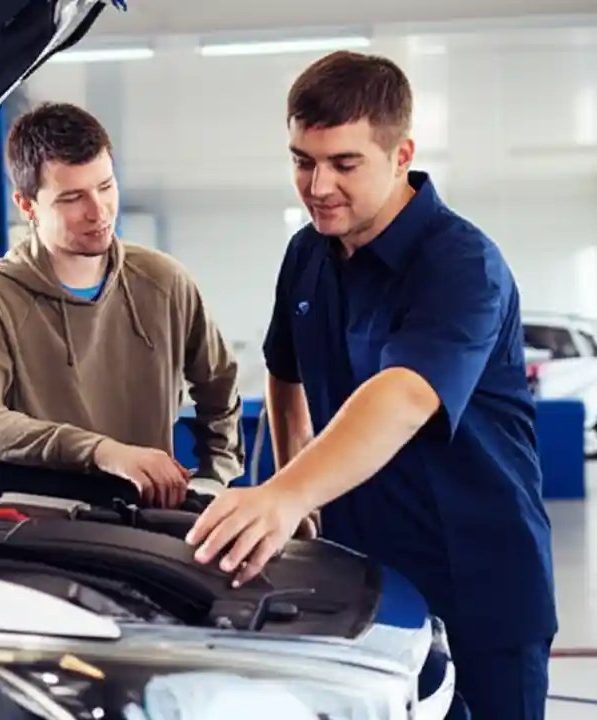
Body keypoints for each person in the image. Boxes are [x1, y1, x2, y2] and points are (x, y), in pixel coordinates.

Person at [183, 51, 558, 718]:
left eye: (343, 163)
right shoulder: (305, 255)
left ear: (400, 152)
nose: (317, 185)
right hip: (362, 579)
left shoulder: (463, 264)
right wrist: (295, 485)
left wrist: (280, 493)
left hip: (480, 584)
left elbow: (404, 394)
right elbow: (284, 369)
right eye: (303, 160)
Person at [0, 101, 243, 508]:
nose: (98, 211)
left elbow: (219, 388)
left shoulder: (165, 283)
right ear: (27, 205)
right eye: (72, 198)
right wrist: (102, 451)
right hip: (45, 533)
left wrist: (214, 478)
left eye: (105, 186)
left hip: (151, 525)